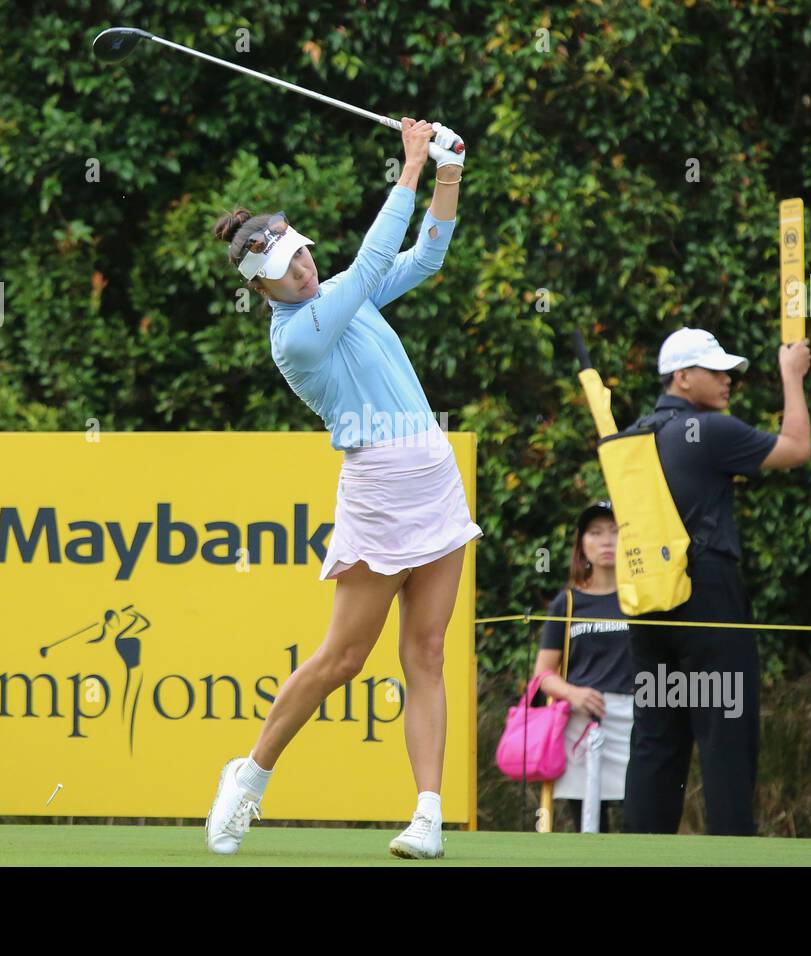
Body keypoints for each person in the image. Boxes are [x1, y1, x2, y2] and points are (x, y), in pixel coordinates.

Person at [203, 118, 481, 859]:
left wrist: (448, 176)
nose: (300, 272)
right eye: (285, 270)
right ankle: (250, 780)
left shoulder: (340, 294)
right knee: (343, 660)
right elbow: (371, 262)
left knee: (424, 652)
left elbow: (423, 257)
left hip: (435, 475)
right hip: (382, 488)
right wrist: (413, 164)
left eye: (300, 257)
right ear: (261, 288)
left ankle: (426, 816)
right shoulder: (299, 334)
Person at [623, 327, 811, 836]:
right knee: (726, 730)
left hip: (645, 597)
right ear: (682, 378)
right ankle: (733, 850)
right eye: (716, 370)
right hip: (705, 593)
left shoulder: (633, 433)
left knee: (656, 737)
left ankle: (641, 854)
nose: (728, 379)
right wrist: (791, 376)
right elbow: (796, 448)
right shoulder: (712, 430)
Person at [532, 501, 634, 832]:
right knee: (588, 830)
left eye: (616, 531)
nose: (607, 541)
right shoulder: (568, 602)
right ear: (582, 545)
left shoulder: (644, 600)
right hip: (581, 725)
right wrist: (573, 694)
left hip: (638, 723)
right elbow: (542, 676)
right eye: (596, 532)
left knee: (643, 825)